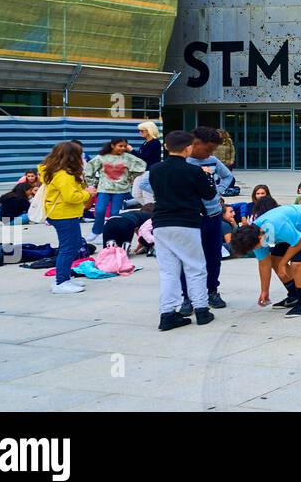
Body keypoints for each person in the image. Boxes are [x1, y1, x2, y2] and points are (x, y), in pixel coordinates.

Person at [148, 130, 217, 331]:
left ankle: (167, 313)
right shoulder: (193, 171)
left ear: (166, 147)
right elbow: (209, 194)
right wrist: (207, 177)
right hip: (187, 222)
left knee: (168, 271)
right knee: (195, 267)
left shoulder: (155, 169)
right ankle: (202, 310)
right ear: (188, 148)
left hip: (161, 223)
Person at [231, 202, 301, 318]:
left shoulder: (276, 225)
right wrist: (264, 291)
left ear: (259, 237)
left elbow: (298, 243)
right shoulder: (253, 236)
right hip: (292, 229)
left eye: (255, 247)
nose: (256, 249)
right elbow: (264, 264)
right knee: (275, 260)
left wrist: (283, 263)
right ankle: (294, 295)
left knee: (297, 264)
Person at [175, 127, 235, 313]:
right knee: (189, 259)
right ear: (194, 143)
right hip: (192, 217)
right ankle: (188, 297)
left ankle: (212, 291)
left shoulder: (212, 161)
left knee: (213, 256)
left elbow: (228, 176)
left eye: (212, 151)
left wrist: (218, 191)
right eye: (207, 149)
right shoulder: (183, 162)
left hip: (214, 215)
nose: (209, 154)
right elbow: (151, 182)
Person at [40, 141, 95, 295]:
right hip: (64, 214)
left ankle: (64, 277)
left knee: (74, 244)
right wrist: (88, 193)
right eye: (79, 154)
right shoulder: (64, 175)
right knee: (68, 248)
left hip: (63, 214)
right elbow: (71, 197)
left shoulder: (56, 172)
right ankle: (60, 281)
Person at [84, 139, 147, 241]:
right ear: (113, 145)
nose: (123, 148)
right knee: (99, 211)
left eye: (124, 146)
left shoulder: (128, 158)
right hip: (104, 189)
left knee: (114, 213)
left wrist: (130, 178)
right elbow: (89, 168)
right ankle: (96, 231)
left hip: (120, 190)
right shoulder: (102, 157)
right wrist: (94, 183)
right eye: (120, 146)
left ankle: (110, 234)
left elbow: (141, 166)